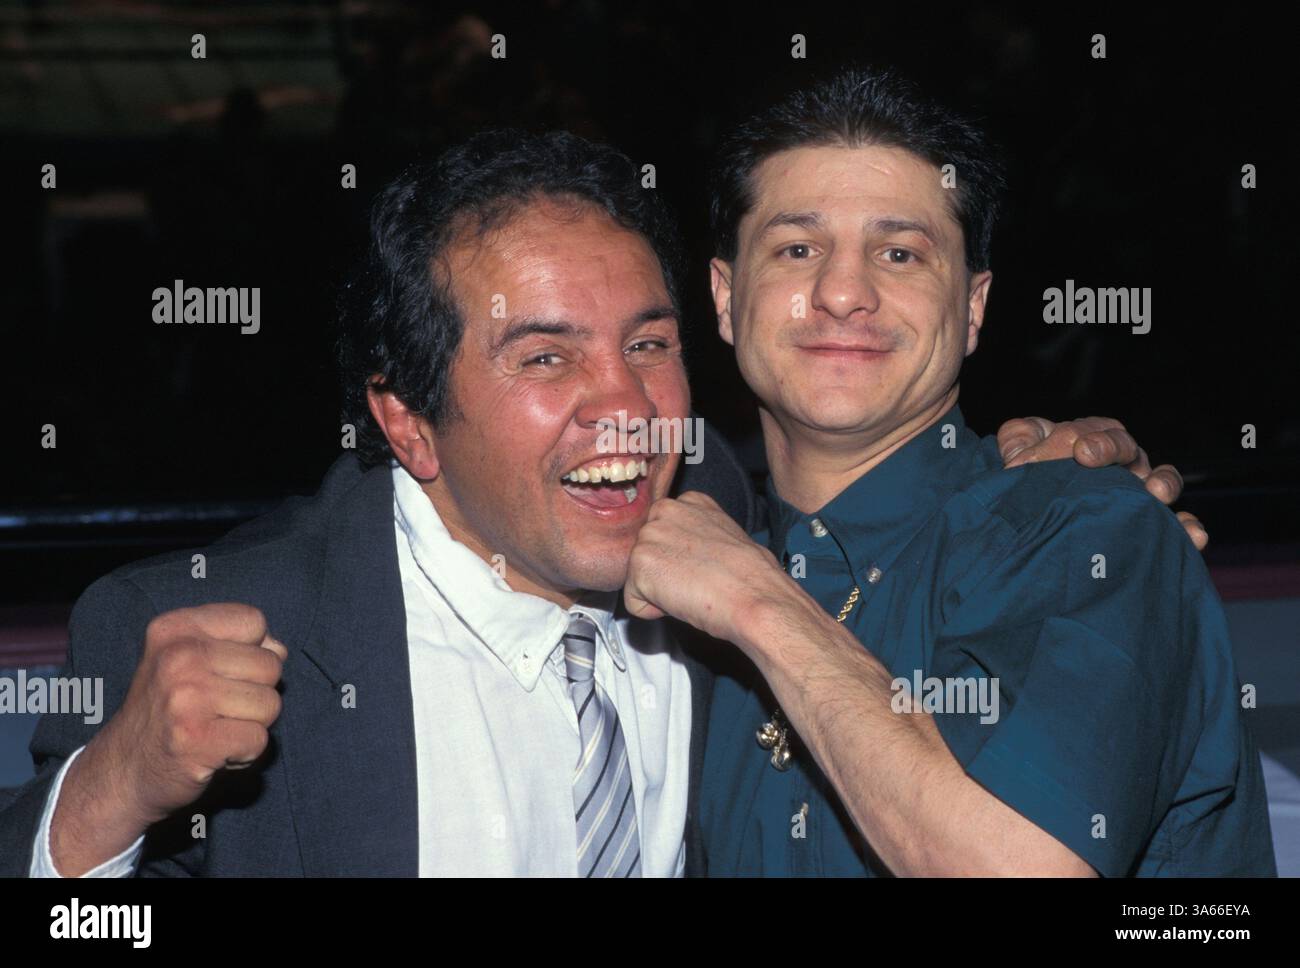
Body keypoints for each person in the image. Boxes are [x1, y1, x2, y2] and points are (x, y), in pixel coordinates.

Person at [0, 128, 1198, 877]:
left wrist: (1048, 467)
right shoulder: (216, 625)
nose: (625, 408)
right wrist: (106, 797)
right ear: (406, 419)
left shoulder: (723, 519)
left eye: (650, 342)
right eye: (544, 357)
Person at [619, 68, 1275, 876]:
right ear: (725, 297)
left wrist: (759, 604)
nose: (843, 291)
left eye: (899, 253)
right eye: (797, 248)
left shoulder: (1091, 534)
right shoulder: (672, 582)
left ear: (971, 307)